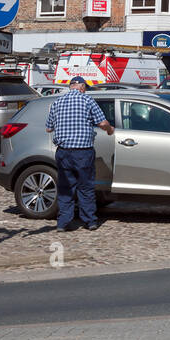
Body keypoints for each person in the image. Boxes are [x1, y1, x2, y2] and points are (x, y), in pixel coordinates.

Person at [46, 75, 115, 231]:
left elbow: (48, 128)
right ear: (82, 87)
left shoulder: (57, 102)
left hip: (63, 152)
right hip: (83, 152)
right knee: (85, 186)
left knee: (65, 187)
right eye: (85, 88)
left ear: (71, 86)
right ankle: (89, 221)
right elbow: (102, 123)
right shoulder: (87, 101)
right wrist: (110, 130)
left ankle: (63, 223)